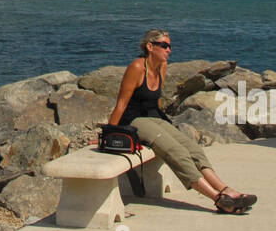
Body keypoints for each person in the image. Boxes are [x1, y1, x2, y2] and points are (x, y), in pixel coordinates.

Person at [108, 29, 257, 214]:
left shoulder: (162, 66)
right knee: (176, 151)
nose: (169, 49)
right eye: (164, 45)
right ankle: (218, 199)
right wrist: (108, 133)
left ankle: (226, 190)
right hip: (134, 120)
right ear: (149, 46)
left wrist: (163, 123)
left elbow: (157, 100)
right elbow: (121, 103)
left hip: (154, 117)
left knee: (193, 149)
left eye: (169, 46)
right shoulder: (138, 67)